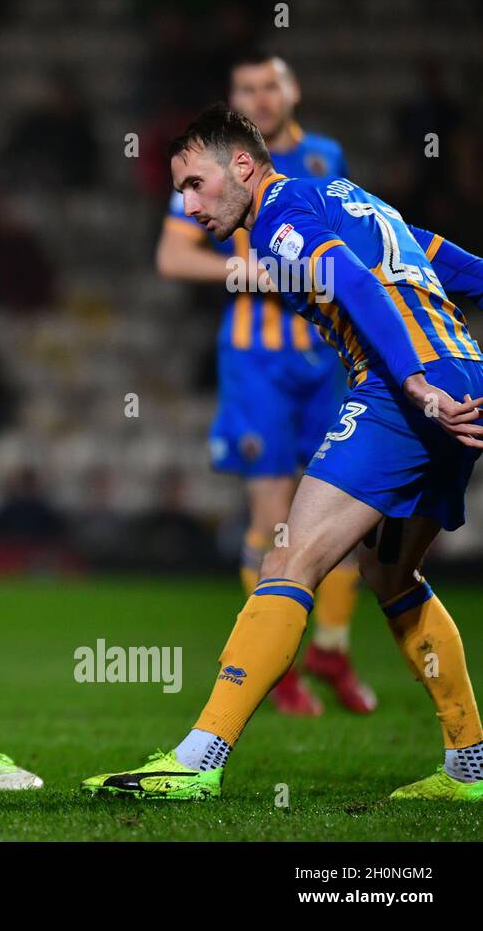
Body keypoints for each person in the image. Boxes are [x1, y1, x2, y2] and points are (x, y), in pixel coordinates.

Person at [84, 104, 483, 801]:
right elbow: (446, 262)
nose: (188, 203)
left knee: (289, 559)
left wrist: (415, 383)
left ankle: (196, 761)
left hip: (406, 392)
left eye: (195, 183)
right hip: (464, 376)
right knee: (392, 576)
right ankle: (469, 768)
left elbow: (352, 285)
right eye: (179, 191)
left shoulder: (278, 217)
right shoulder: (345, 198)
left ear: (243, 165)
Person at [155, 51, 372, 716]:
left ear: (293, 89)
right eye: (246, 87)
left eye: (270, 84)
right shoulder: (208, 165)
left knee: (347, 507)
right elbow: (171, 255)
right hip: (258, 361)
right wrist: (243, 274)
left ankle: (331, 648)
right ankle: (275, 667)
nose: (261, 97)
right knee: (272, 513)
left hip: (328, 352)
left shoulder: (324, 157)